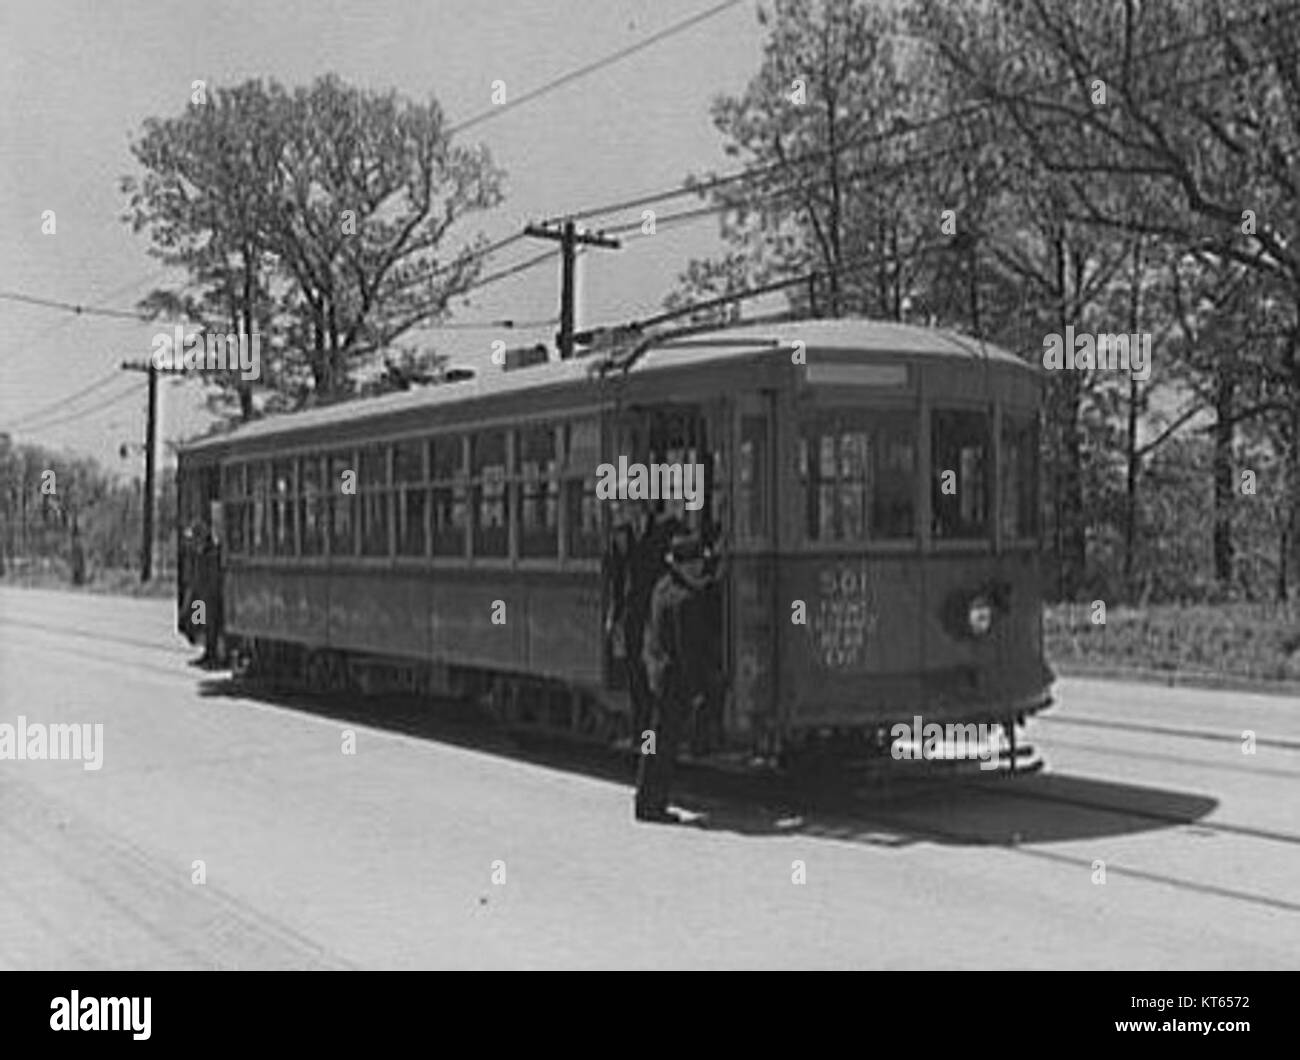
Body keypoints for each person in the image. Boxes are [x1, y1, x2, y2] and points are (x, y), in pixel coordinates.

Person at [635, 528, 722, 823]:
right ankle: (652, 805)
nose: (700, 567)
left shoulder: (662, 589)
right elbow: (689, 652)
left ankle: (645, 799)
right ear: (688, 565)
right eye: (697, 562)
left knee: (652, 740)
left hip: (656, 674)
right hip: (673, 681)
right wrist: (700, 689)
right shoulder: (685, 601)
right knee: (664, 745)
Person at [606, 500, 677, 750]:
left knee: (655, 678)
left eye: (624, 506)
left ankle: (656, 739)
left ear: (639, 506)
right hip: (633, 614)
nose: (621, 512)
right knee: (636, 676)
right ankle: (642, 738)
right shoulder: (621, 535)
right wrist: (614, 616)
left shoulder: (664, 527)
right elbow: (617, 576)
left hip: (656, 611)